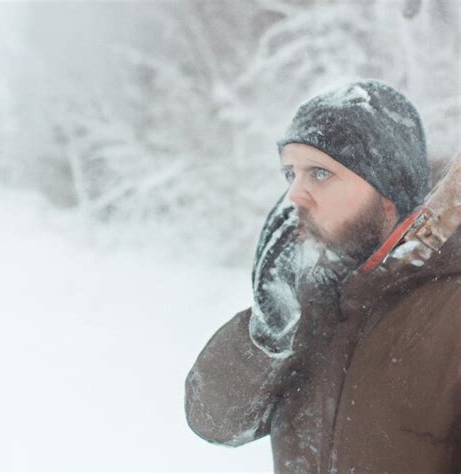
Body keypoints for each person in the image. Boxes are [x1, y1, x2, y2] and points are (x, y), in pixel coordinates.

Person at [185, 79, 461, 473]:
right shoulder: (308, 305)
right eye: (289, 174)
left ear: (387, 196)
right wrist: (266, 336)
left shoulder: (451, 310)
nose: (294, 194)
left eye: (318, 173)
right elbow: (215, 421)